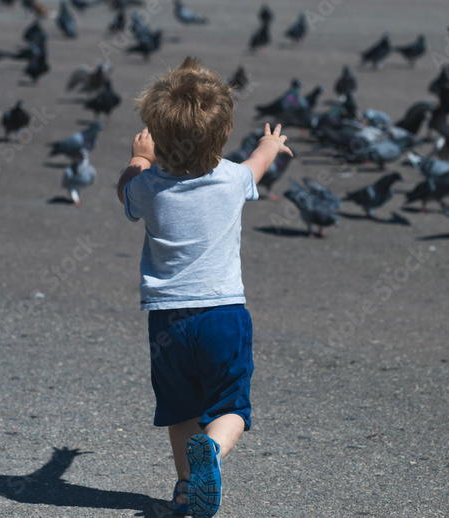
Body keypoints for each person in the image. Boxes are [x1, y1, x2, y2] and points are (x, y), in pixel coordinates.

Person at [117, 56, 292, 518]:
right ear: (222, 132)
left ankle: (183, 488)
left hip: (168, 319)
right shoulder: (232, 179)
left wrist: (139, 156)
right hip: (224, 317)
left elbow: (126, 188)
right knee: (231, 405)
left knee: (180, 409)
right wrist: (271, 143)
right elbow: (258, 164)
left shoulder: (148, 187)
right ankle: (211, 455)